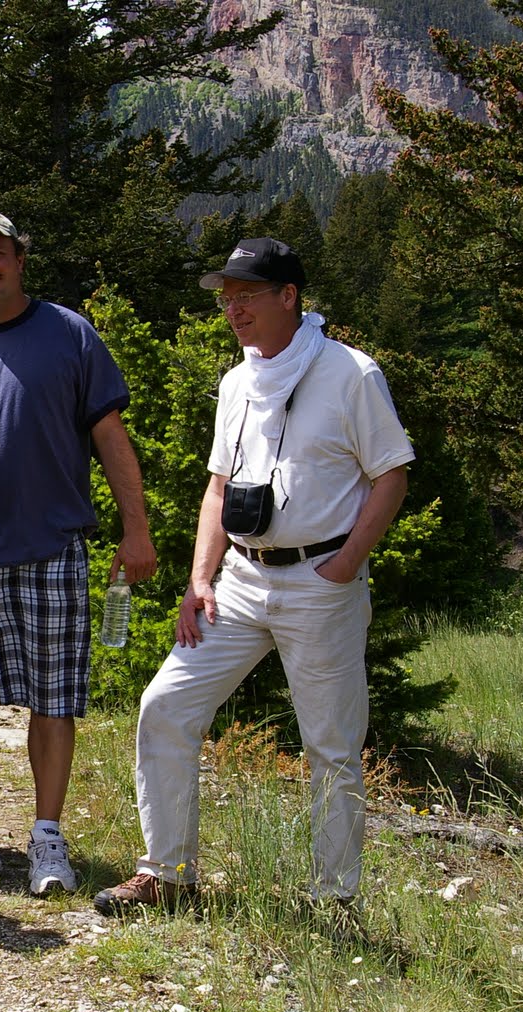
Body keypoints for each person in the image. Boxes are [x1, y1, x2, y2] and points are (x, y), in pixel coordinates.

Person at [96, 237, 414, 918]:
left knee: (330, 746)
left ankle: (334, 901)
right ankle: (168, 875)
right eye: (226, 297)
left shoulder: (351, 373)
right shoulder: (239, 379)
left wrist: (344, 566)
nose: (232, 308)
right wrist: (199, 579)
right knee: (167, 706)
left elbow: (392, 475)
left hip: (319, 582)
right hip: (238, 579)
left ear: (289, 296)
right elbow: (218, 488)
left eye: (246, 295)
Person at [0, 209, 157, 895]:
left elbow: (110, 437)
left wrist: (136, 529)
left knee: (53, 700)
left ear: (19, 258)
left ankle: (48, 838)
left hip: (53, 547)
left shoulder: (70, 333)